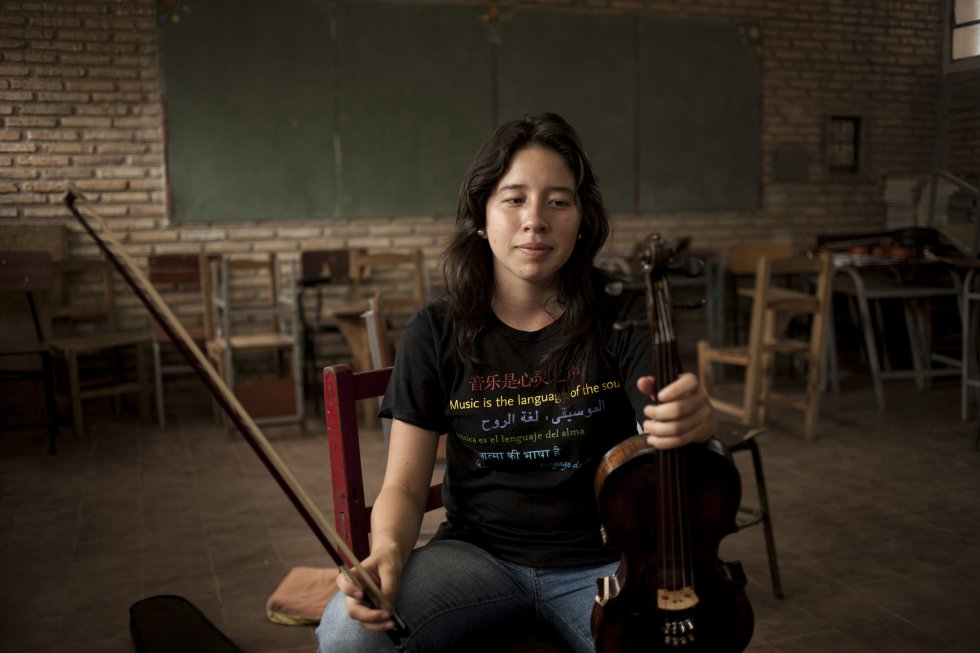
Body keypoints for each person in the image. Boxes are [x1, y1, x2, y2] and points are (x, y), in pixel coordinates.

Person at [316, 112, 716, 653]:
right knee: (347, 635)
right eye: (513, 198)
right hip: (474, 558)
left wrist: (692, 423)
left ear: (581, 220)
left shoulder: (625, 317)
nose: (535, 220)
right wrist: (386, 551)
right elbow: (406, 486)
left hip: (604, 565)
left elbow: (665, 440)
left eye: (558, 200)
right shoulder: (435, 329)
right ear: (482, 216)